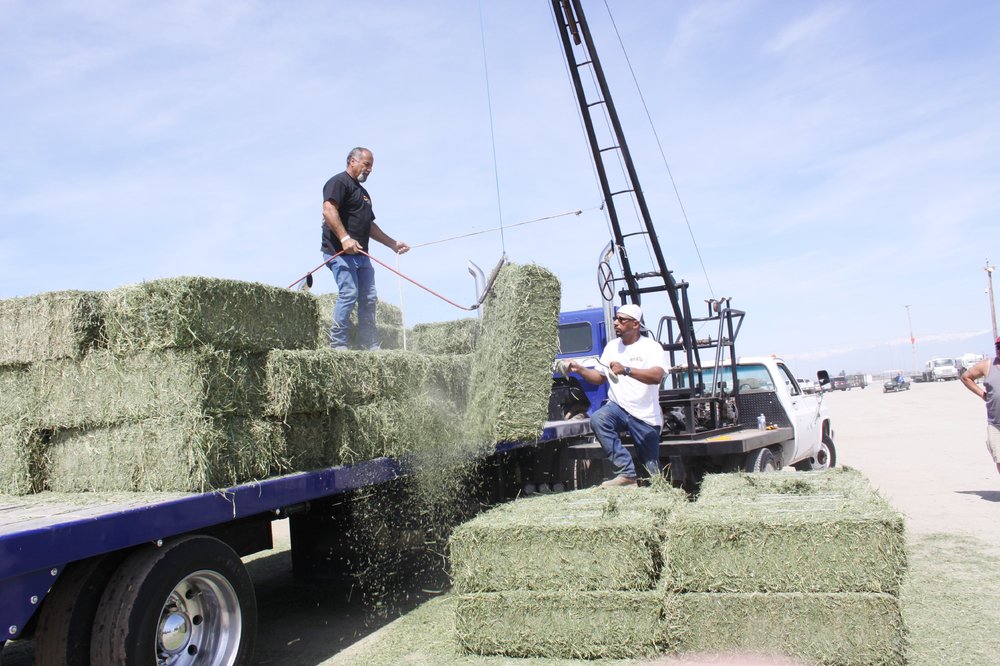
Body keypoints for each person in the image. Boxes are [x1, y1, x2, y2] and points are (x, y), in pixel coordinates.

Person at [566, 303, 666, 487]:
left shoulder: (651, 347)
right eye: (615, 319)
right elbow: (598, 378)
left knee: (652, 469)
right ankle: (626, 472)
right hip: (618, 407)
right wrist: (579, 369)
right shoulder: (612, 347)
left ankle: (659, 495)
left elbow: (656, 376)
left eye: (621, 320)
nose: (615, 323)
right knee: (599, 419)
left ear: (635, 324)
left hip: (644, 414)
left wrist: (626, 370)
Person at [321, 147, 410, 350]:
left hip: (361, 254)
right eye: (366, 164)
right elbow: (328, 209)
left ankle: (368, 342)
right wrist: (344, 238)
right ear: (353, 161)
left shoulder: (364, 195)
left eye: (371, 166)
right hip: (339, 252)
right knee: (349, 292)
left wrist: (392, 244)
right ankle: (338, 343)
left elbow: (369, 225)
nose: (369, 169)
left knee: (369, 297)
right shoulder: (338, 182)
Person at [959, 336, 1000, 475]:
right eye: (998, 347)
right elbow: (965, 377)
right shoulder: (987, 365)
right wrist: (983, 395)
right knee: (999, 459)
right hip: (996, 423)